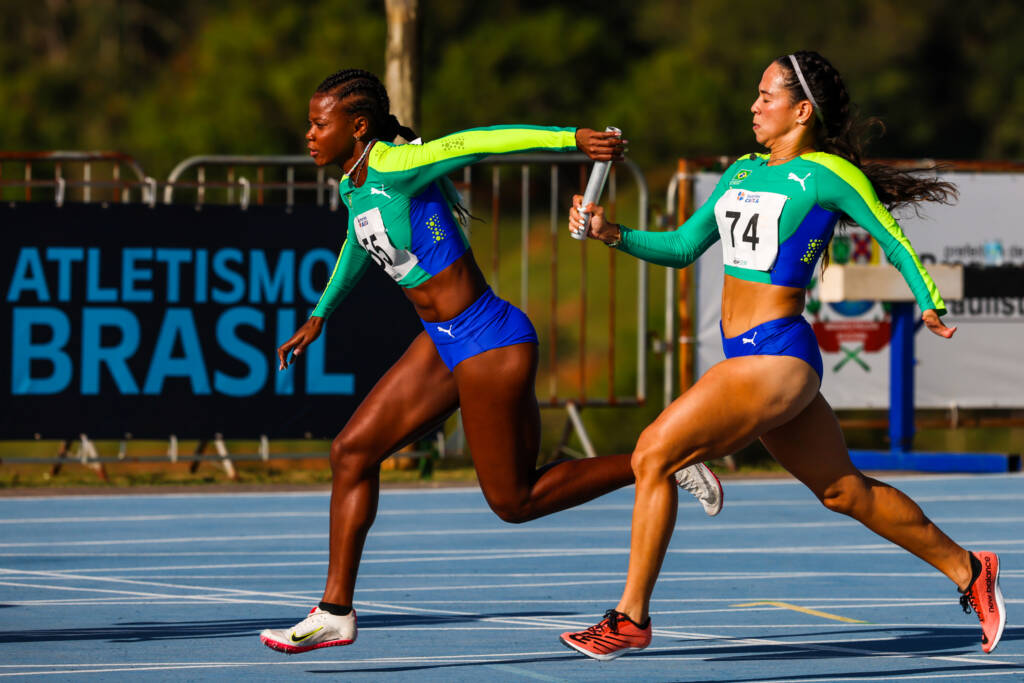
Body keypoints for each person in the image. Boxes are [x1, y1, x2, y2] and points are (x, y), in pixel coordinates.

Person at [258, 69, 724, 655]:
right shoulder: (353, 183)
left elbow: (482, 140)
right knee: (351, 452)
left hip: (490, 345)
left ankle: (661, 458)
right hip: (442, 341)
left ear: (357, 127)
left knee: (515, 502)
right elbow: (359, 239)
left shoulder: (399, 165)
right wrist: (321, 315)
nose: (308, 134)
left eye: (318, 124)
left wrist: (570, 139)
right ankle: (335, 611)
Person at [559, 51, 1005, 660]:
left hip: (779, 356)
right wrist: (615, 235)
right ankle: (970, 570)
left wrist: (927, 298)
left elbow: (891, 237)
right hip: (746, 356)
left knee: (654, 453)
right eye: (756, 94)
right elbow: (685, 246)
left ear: (802, 111)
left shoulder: (825, 174)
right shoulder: (741, 170)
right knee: (845, 491)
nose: (754, 106)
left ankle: (630, 617)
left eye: (767, 96)